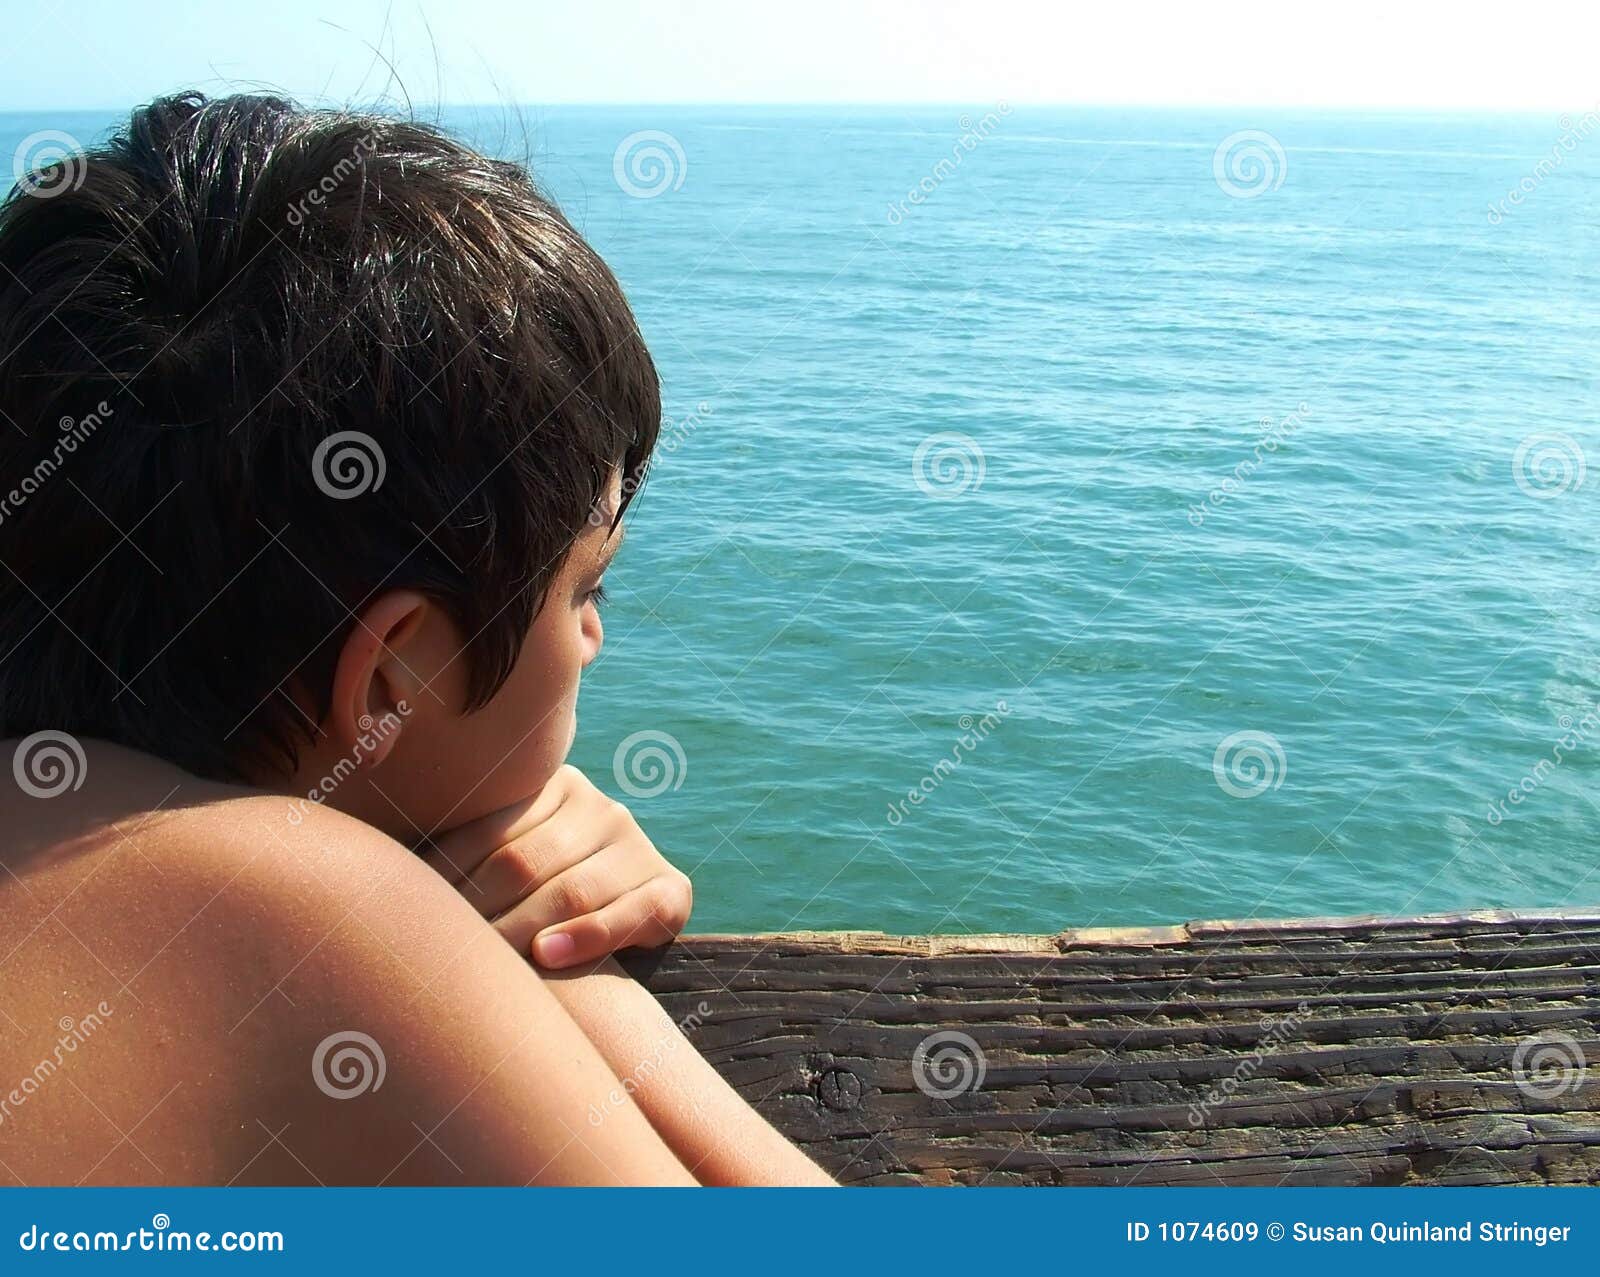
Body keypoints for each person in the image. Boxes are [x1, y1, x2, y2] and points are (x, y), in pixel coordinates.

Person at [0, 91, 833, 1186]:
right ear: (392, 671)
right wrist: (559, 974)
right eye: (590, 587)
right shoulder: (297, 912)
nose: (590, 642)